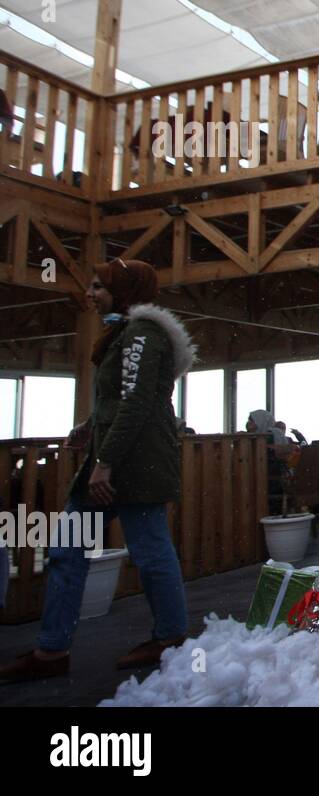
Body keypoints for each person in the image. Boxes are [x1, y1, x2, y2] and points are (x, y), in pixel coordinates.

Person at [0, 258, 196, 684]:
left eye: (97, 287)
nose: (88, 294)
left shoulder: (143, 334)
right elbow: (121, 398)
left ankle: (170, 637)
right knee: (67, 549)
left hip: (137, 465)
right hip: (114, 458)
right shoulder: (124, 333)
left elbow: (138, 400)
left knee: (149, 553)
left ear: (123, 292)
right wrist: (91, 427)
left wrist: (104, 463)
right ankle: (52, 649)